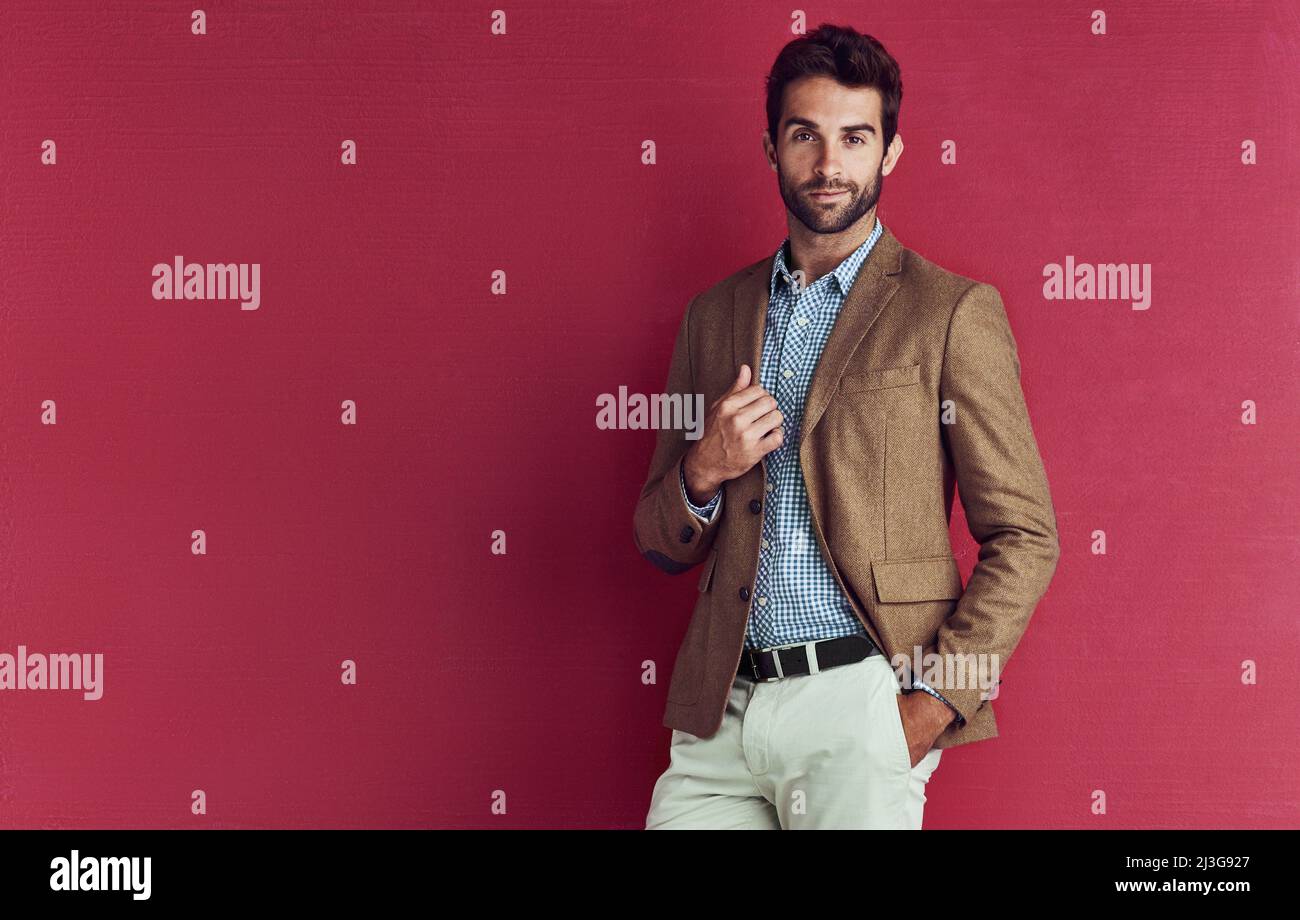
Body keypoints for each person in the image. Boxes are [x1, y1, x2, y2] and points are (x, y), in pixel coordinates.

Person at [635, 23, 1060, 829]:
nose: (829, 165)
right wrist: (703, 471)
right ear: (771, 148)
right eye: (806, 136)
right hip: (722, 712)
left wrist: (929, 707)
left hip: (861, 705)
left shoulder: (950, 313)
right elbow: (656, 539)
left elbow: (1027, 535)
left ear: (890, 152)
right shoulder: (713, 317)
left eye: (854, 138)